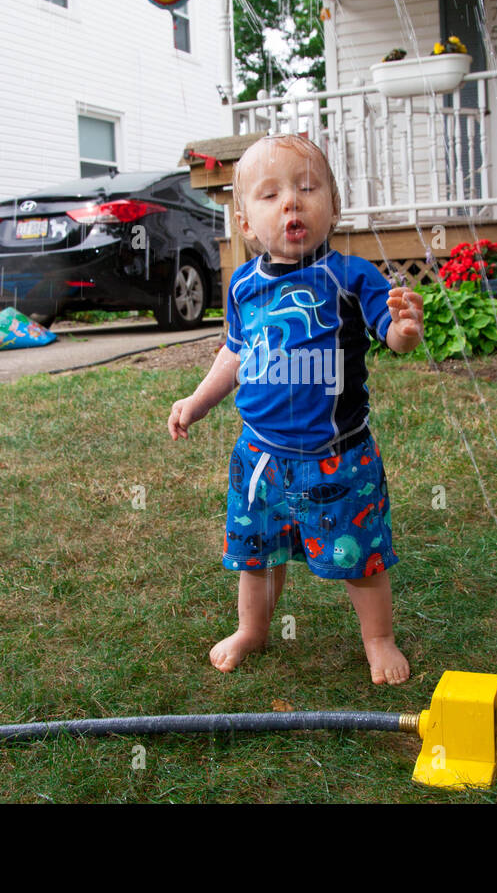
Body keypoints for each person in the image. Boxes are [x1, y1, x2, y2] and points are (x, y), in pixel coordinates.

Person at [167, 134, 424, 684]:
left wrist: (403, 330)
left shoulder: (352, 277)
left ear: (333, 205)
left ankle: (378, 639)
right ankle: (252, 630)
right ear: (244, 222)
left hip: (336, 456)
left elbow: (393, 335)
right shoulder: (243, 285)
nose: (291, 202)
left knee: (359, 556)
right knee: (256, 555)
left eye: (307, 188)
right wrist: (198, 400)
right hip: (258, 457)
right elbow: (234, 354)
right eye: (270, 194)